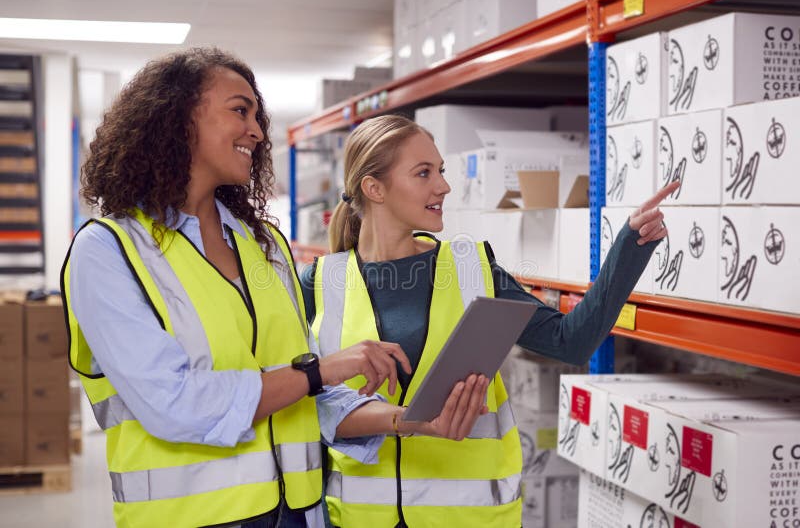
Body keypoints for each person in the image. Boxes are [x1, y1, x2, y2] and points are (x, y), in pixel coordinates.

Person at [61, 50, 488, 528]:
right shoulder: (109, 251)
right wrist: (318, 372)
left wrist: (405, 419)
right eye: (239, 111)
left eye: (258, 116)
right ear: (178, 119)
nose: (258, 132)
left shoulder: (263, 246)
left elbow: (305, 395)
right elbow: (173, 403)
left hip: (298, 515)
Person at [300, 114, 680, 527]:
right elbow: (304, 403)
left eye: (441, 171)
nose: (443, 185)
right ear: (374, 188)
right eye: (423, 173)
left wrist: (630, 246)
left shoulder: (470, 267)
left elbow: (571, 340)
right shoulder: (319, 283)